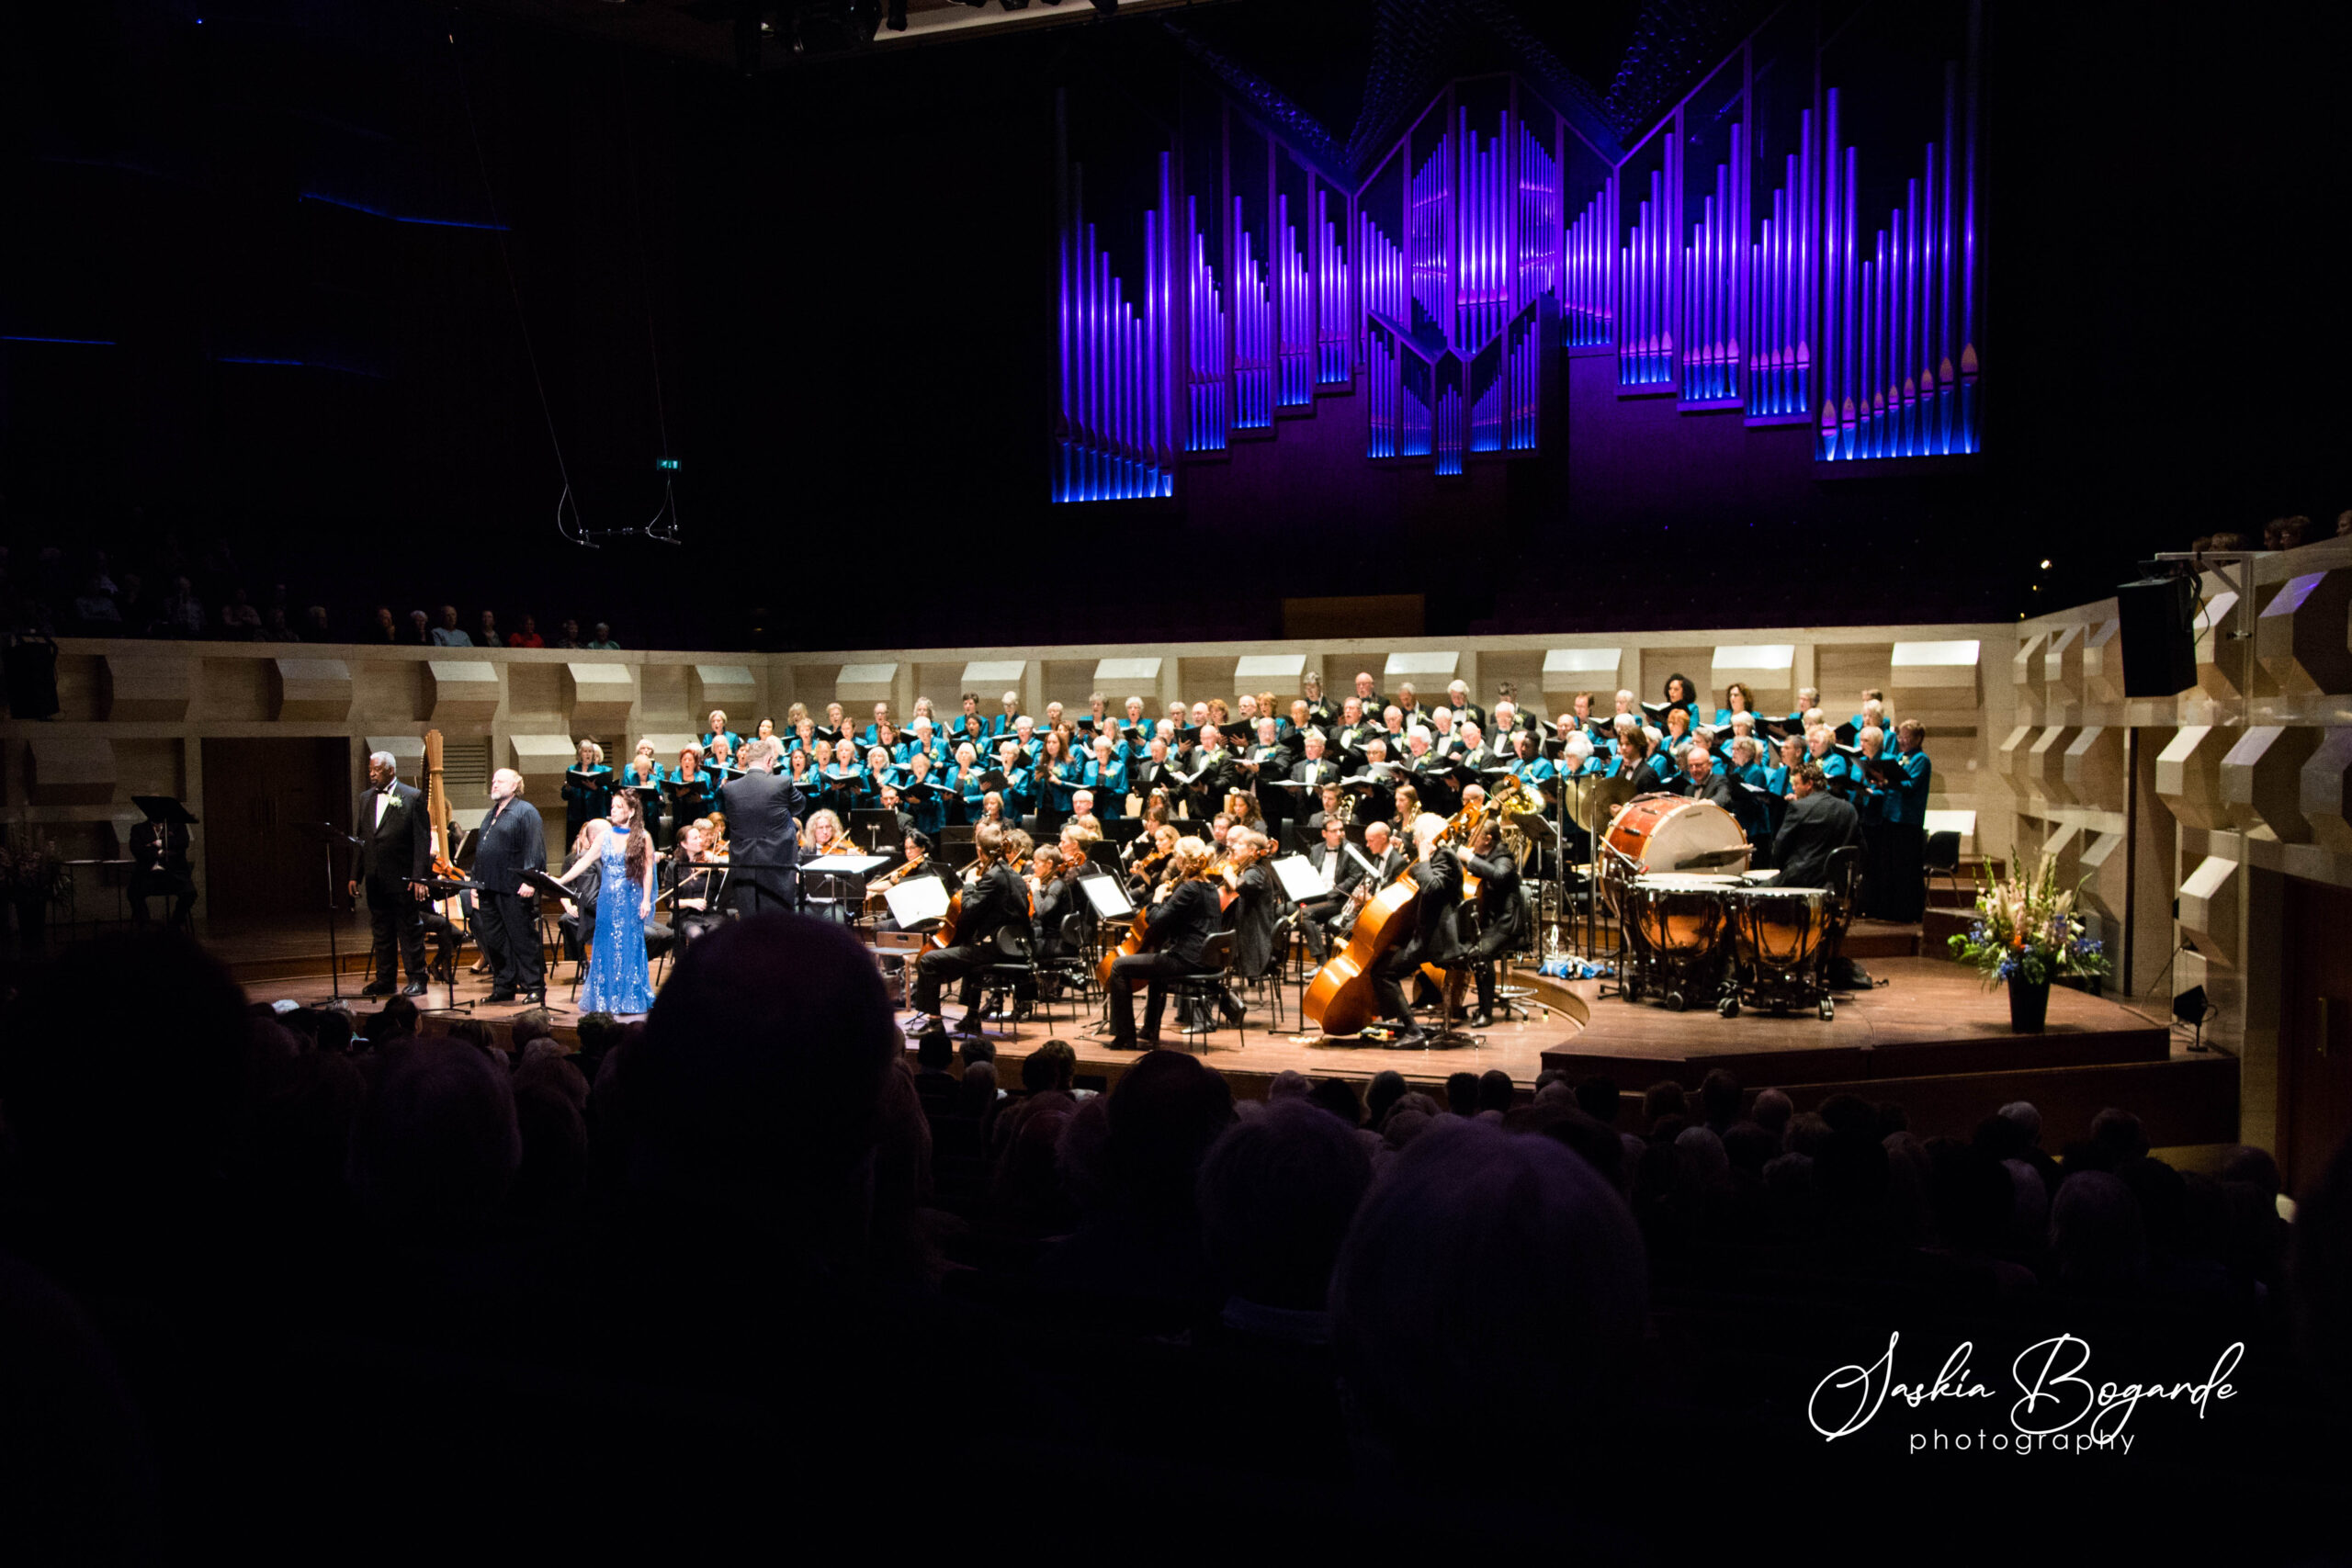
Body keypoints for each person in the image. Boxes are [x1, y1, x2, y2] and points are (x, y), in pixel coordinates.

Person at [910, 823, 1028, 1039]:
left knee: (928, 960)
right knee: (969, 950)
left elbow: (969, 910)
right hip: (1014, 945)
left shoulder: (992, 877)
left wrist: (969, 885)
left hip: (996, 948)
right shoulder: (1015, 875)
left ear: (979, 850)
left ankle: (934, 1023)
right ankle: (972, 1018)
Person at [1105, 835, 1220, 1049]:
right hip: (1205, 957)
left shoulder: (1189, 888)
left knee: (1118, 966)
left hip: (1188, 959)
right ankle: (1149, 1028)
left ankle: (1125, 1036)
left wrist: (1157, 898)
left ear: (1181, 860)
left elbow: (1157, 922)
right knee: (1158, 966)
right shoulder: (1209, 887)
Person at [551, 790, 657, 1015]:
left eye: (619, 807)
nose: (614, 810)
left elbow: (648, 870)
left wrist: (646, 899)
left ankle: (629, 998)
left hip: (631, 899)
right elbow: (584, 862)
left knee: (629, 945)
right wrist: (561, 880)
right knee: (606, 945)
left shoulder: (643, 837)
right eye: (612, 806)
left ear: (631, 811)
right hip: (608, 900)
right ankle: (606, 997)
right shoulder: (604, 836)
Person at [1371, 814, 1463, 1045]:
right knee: (1386, 961)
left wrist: (1422, 858)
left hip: (1435, 939)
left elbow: (1432, 887)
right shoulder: (1440, 856)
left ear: (1425, 837)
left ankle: (1412, 1030)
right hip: (1428, 933)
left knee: (1382, 971)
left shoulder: (1445, 858)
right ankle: (1400, 1022)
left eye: (1416, 838)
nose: (1413, 842)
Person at [348, 750, 433, 997]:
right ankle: (385, 979)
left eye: (377, 770)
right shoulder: (366, 798)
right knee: (382, 931)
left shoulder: (412, 797)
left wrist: (419, 878)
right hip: (376, 879)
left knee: (409, 930)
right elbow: (362, 839)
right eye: (370, 770)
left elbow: (422, 842)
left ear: (391, 770)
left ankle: (418, 978)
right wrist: (356, 874)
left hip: (403, 879)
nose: (372, 774)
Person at [473, 768, 548, 1004]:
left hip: (514, 887)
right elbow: (482, 849)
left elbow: (535, 847)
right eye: (493, 780)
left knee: (523, 939)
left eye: (500, 781)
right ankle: (504, 986)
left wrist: (530, 880)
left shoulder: (526, 812)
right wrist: (476, 881)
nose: (494, 784)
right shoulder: (492, 813)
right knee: (495, 940)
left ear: (515, 785)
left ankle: (535, 985)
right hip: (489, 887)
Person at [718, 738, 807, 917]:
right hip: (777, 865)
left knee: (750, 922)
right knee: (778, 923)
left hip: (744, 866)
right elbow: (800, 805)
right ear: (769, 760)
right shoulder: (781, 783)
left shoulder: (730, 788)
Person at [1456, 812, 1526, 1028]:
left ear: (1488, 839)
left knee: (1480, 954)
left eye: (1476, 836)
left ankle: (1486, 1013)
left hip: (1506, 925)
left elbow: (1498, 875)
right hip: (1489, 923)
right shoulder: (1484, 856)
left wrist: (1470, 859)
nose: (1471, 840)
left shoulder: (1504, 857)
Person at [1773, 762, 1860, 892]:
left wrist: (1781, 870)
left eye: (1796, 784)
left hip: (1801, 880)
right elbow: (1860, 849)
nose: (1793, 788)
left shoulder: (1799, 807)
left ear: (1809, 784)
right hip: (1838, 884)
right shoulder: (1849, 808)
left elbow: (1779, 848)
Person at [128, 809, 198, 931]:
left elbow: (182, 843)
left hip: (174, 875)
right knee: (133, 893)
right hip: (148, 876)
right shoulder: (138, 829)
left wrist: (157, 843)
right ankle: (146, 926)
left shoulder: (177, 826)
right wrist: (162, 852)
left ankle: (175, 924)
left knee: (190, 893)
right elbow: (138, 850)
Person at [562, 739, 615, 849]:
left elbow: (608, 793)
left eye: (590, 751)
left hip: (595, 813)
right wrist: (567, 788)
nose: (588, 754)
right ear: (580, 753)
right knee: (575, 845)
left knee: (596, 845)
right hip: (576, 815)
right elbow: (564, 796)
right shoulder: (572, 769)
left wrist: (596, 788)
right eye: (585, 751)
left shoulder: (601, 769)